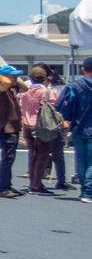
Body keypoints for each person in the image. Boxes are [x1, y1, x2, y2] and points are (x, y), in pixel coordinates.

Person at [20, 66, 64, 196]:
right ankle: (36, 184)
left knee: (32, 155)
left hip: (28, 127)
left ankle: (32, 182)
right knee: (42, 156)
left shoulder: (25, 93)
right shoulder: (48, 93)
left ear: (31, 79)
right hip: (42, 127)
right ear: (45, 78)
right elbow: (54, 111)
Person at [57, 57, 92, 203]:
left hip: (78, 128)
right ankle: (89, 192)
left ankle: (85, 190)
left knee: (81, 160)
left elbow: (61, 107)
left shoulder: (74, 86)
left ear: (83, 69)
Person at [0, 65, 25, 199]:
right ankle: (3, 187)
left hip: (13, 128)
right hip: (5, 128)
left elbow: (25, 87)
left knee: (10, 158)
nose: (16, 79)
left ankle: (7, 185)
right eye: (13, 76)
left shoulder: (11, 88)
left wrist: (14, 77)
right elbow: (6, 82)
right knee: (7, 159)